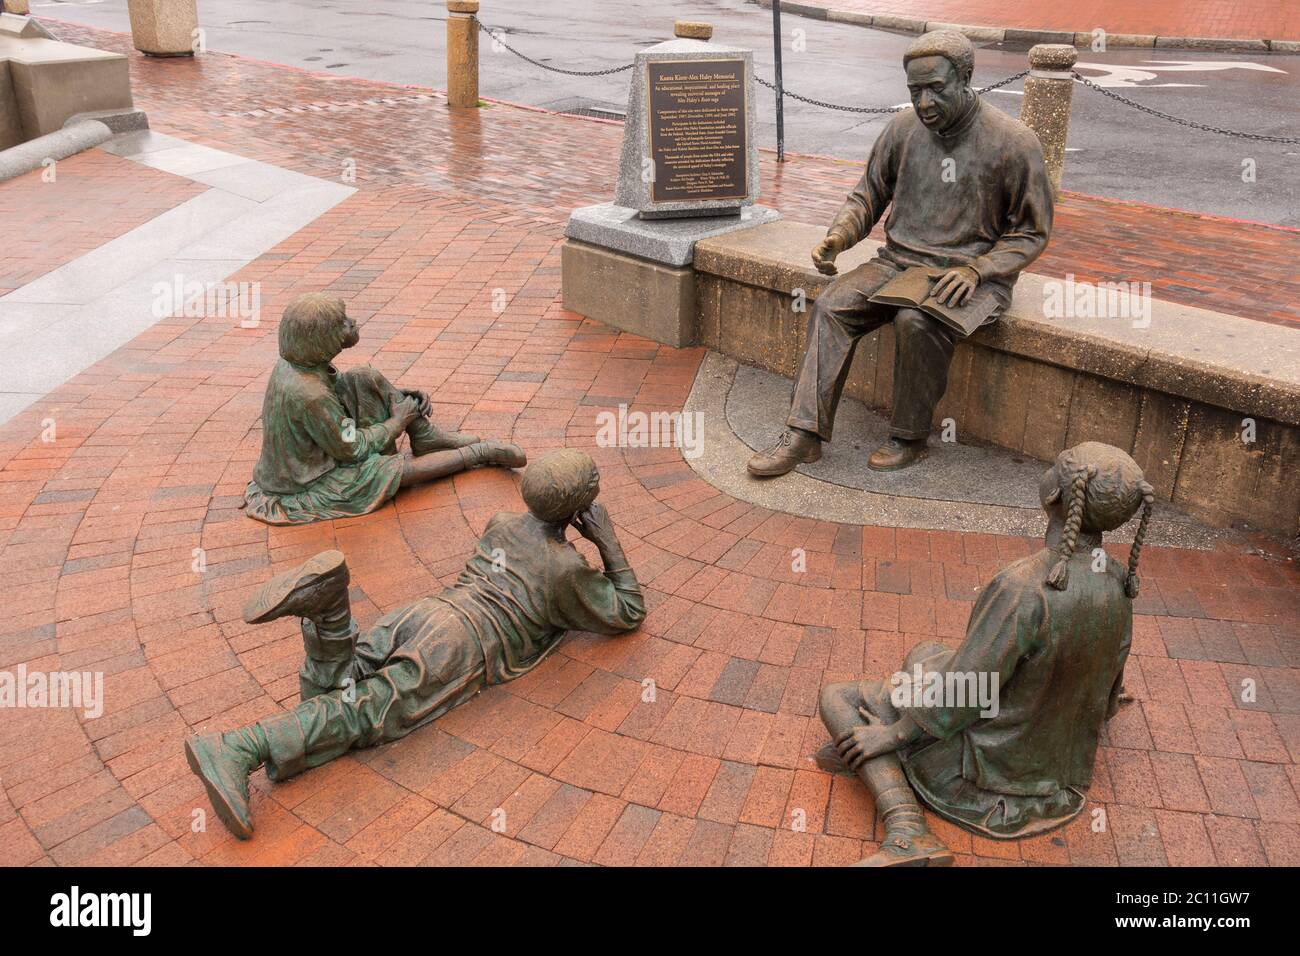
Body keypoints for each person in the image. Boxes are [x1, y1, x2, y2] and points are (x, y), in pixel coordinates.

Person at [187, 449, 646, 839]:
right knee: (365, 710)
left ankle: (330, 616)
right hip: (463, 643)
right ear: (577, 507)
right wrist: (607, 542)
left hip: (426, 612)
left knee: (346, 680)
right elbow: (627, 611)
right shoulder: (566, 569)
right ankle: (240, 746)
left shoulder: (502, 521)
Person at [818, 442, 1155, 865]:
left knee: (838, 697)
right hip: (1059, 777)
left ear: (1054, 496)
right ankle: (872, 759)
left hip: (990, 771)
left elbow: (967, 693)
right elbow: (1108, 688)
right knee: (925, 652)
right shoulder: (1120, 581)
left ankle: (906, 828)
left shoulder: (1022, 586)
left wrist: (894, 735)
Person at [748, 30, 1053, 477]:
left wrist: (979, 269)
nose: (925, 102)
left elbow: (1031, 232)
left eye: (936, 89)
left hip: (970, 274)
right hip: (898, 262)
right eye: (915, 90)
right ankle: (804, 434)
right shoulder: (903, 129)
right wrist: (839, 236)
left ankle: (909, 437)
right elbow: (867, 195)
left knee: (916, 321)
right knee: (832, 304)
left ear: (966, 78)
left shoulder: (1014, 142)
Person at [244, 292, 525, 525]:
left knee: (365, 376)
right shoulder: (311, 394)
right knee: (385, 471)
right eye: (342, 324)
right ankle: (479, 453)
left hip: (318, 449)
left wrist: (400, 398)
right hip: (307, 482)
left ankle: (425, 436)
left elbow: (340, 389)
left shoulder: (298, 364)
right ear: (320, 340)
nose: (352, 324)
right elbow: (351, 449)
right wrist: (397, 422)